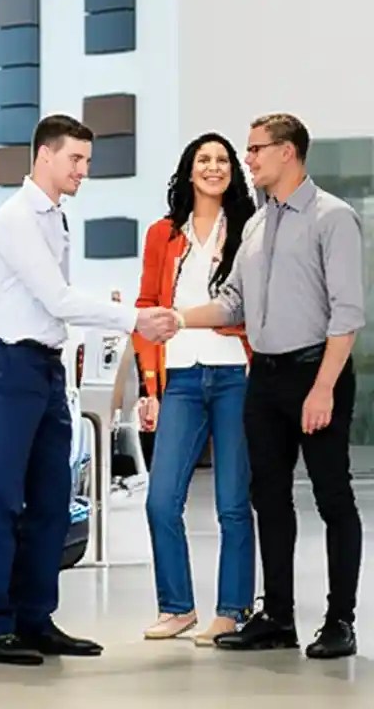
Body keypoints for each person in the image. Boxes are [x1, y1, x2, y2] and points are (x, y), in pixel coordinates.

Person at [0, 113, 180, 665]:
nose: (84, 171)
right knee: (1, 496)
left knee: (50, 497)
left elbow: (59, 304)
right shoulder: (16, 218)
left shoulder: (54, 217)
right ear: (44, 155)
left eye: (86, 160)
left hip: (45, 366)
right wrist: (134, 318)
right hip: (11, 366)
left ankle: (36, 618)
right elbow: (57, 299)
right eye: (76, 160)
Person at [178, 112, 364, 659]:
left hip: (317, 372)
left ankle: (340, 621)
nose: (248, 158)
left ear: (289, 153)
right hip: (264, 376)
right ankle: (278, 617)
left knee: (333, 498)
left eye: (256, 149)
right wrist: (177, 317)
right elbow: (233, 302)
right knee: (269, 499)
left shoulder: (334, 218)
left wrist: (324, 387)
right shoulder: (256, 225)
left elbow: (347, 312)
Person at [132, 132, 258, 644]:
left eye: (222, 160)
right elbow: (144, 310)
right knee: (161, 499)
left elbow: (257, 303)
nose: (213, 167)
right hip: (179, 379)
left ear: (233, 171)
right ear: (189, 170)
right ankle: (177, 606)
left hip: (236, 378)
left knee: (232, 503)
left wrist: (231, 329)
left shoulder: (251, 229)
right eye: (204, 159)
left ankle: (232, 610)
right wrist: (149, 387)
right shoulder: (163, 234)